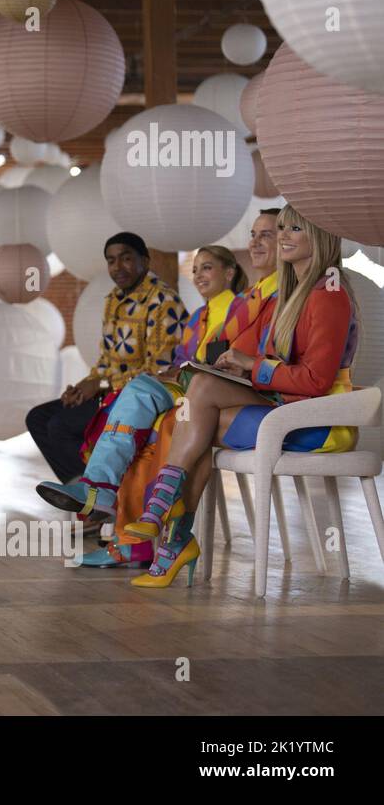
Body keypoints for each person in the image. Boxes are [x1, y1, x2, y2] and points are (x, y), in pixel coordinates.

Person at [126, 204, 358, 588]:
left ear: (318, 237)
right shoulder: (290, 294)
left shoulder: (328, 295)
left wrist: (254, 366)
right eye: (280, 227)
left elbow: (317, 381)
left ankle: (170, 523)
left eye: (293, 229)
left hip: (317, 420)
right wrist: (239, 367)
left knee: (199, 415)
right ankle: (169, 524)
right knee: (201, 389)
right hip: (283, 405)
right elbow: (270, 362)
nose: (282, 235)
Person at [34, 210, 283, 567]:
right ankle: (107, 507)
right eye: (195, 269)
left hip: (229, 394)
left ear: (230, 273)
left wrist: (183, 372)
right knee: (112, 416)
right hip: (195, 387)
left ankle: (120, 517)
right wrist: (96, 380)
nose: (198, 276)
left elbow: (248, 360)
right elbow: (180, 360)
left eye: (207, 268)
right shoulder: (219, 310)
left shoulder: (246, 302)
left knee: (143, 416)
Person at [25, 232, 187, 487]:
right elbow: (106, 360)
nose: (117, 267)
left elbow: (160, 371)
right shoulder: (115, 299)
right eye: (111, 261)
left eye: (126, 258)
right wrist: (83, 387)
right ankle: (91, 492)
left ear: (144, 260)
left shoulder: (162, 301)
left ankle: (97, 496)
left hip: (139, 399)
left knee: (60, 426)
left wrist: (102, 387)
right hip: (109, 393)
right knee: (38, 418)